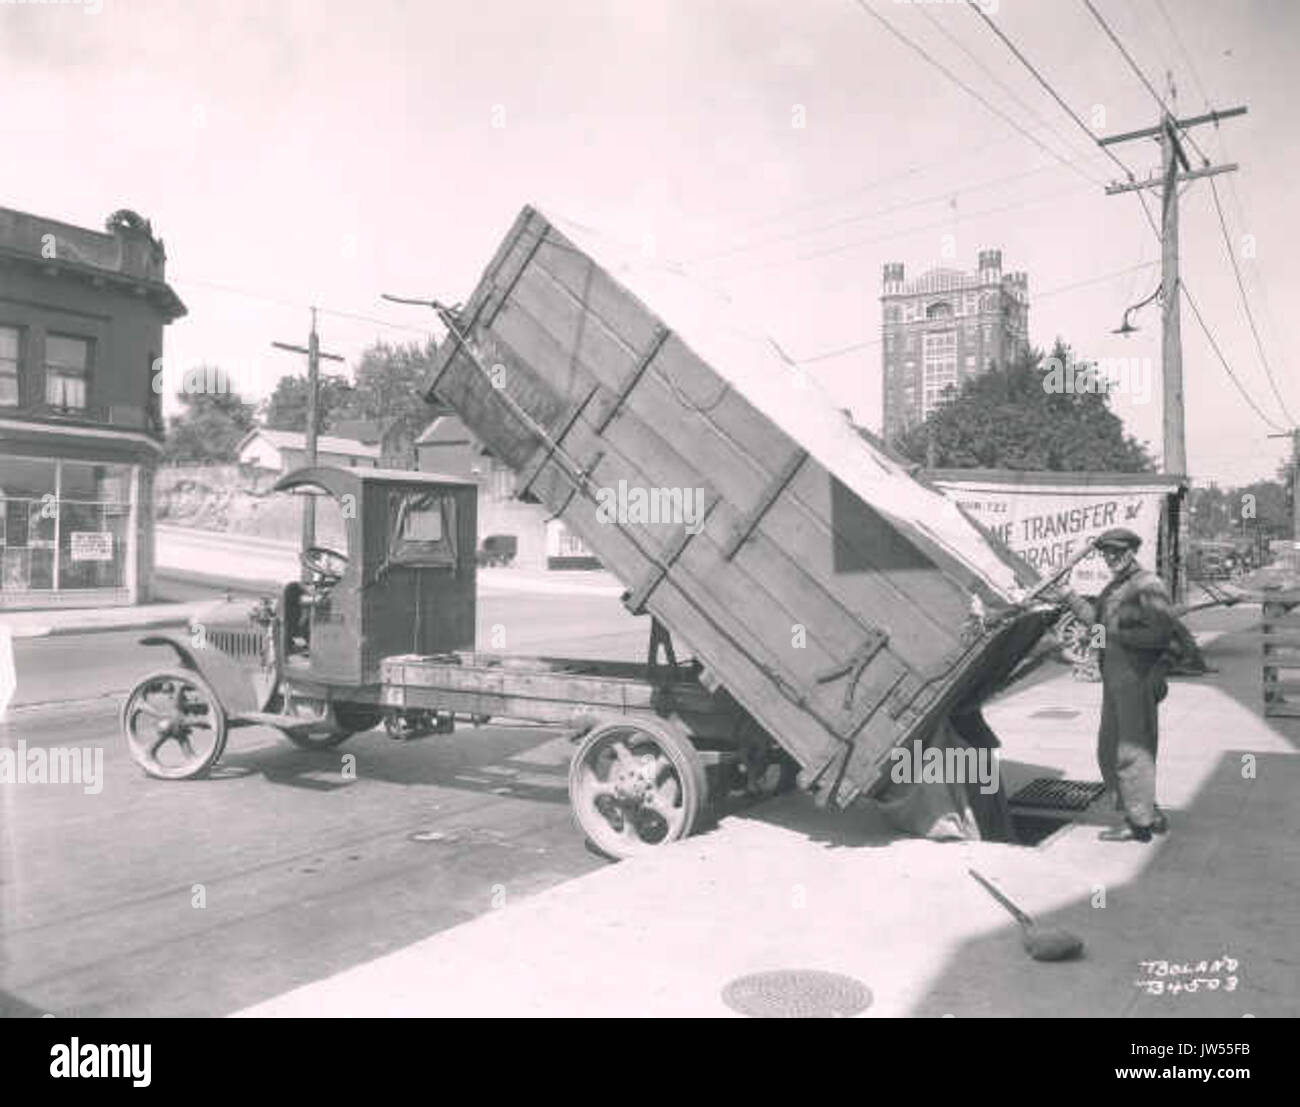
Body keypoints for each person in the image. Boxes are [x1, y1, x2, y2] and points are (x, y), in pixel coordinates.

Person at [1060, 528, 1176, 842]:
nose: (1111, 558)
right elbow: (1098, 626)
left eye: (1117, 552)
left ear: (1131, 552)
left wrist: (1113, 635)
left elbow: (1161, 636)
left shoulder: (1147, 585)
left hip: (1137, 679)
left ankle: (1137, 823)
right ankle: (1148, 812)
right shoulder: (1114, 586)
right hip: (1114, 679)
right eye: (1107, 553)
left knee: (1130, 751)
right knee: (1109, 749)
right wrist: (1068, 597)